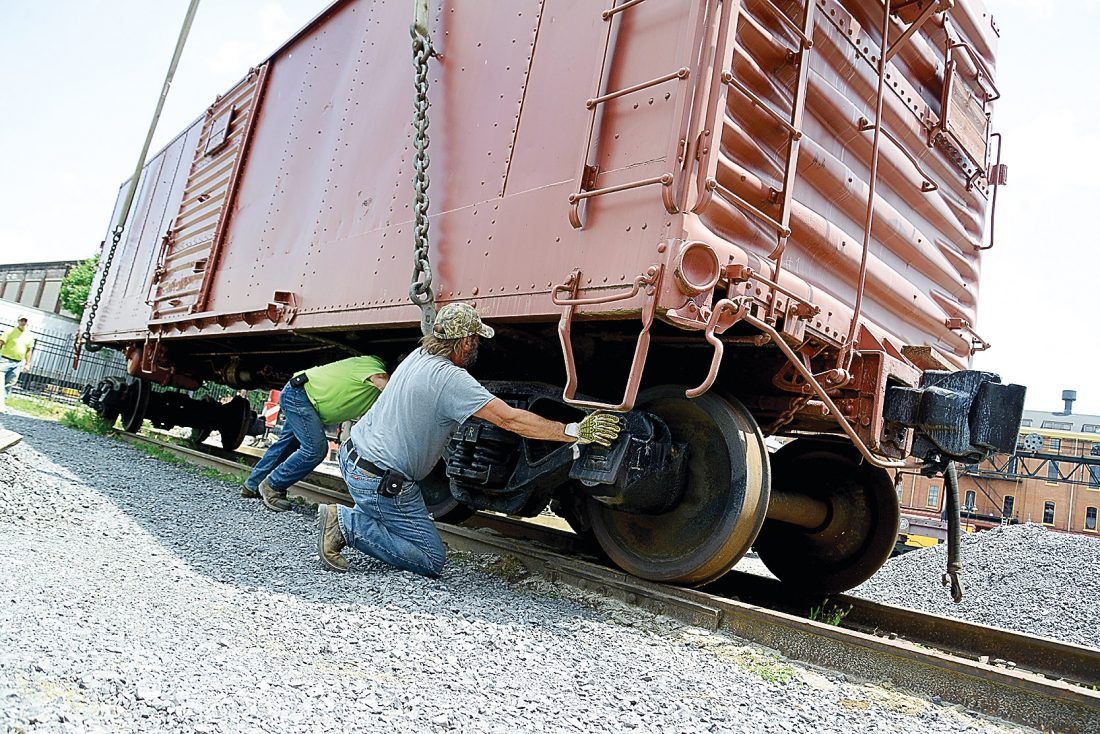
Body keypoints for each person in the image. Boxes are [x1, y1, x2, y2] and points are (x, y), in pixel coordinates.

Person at [316, 303, 621, 576]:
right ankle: (345, 524)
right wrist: (574, 431)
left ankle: (362, 517)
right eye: (475, 339)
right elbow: (510, 419)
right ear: (464, 342)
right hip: (380, 480)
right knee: (429, 557)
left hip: (354, 457)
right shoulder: (452, 379)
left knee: (397, 526)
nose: (477, 346)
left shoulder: (419, 354)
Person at [244, 356, 389, 511]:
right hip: (300, 395)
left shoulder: (372, 377)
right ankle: (272, 485)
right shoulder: (372, 365)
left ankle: (251, 486)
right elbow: (380, 379)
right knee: (315, 449)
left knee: (285, 445)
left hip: (303, 397)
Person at [0, 317, 34, 414]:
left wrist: (27, 364)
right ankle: (0, 405)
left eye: (25, 321)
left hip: (18, 362)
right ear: (18, 321)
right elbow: (1, 343)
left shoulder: (30, 336)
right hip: (5, 360)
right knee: (0, 382)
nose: (23, 322)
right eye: (21, 320)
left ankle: (2, 402)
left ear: (27, 322)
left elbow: (29, 351)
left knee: (9, 383)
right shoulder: (9, 331)